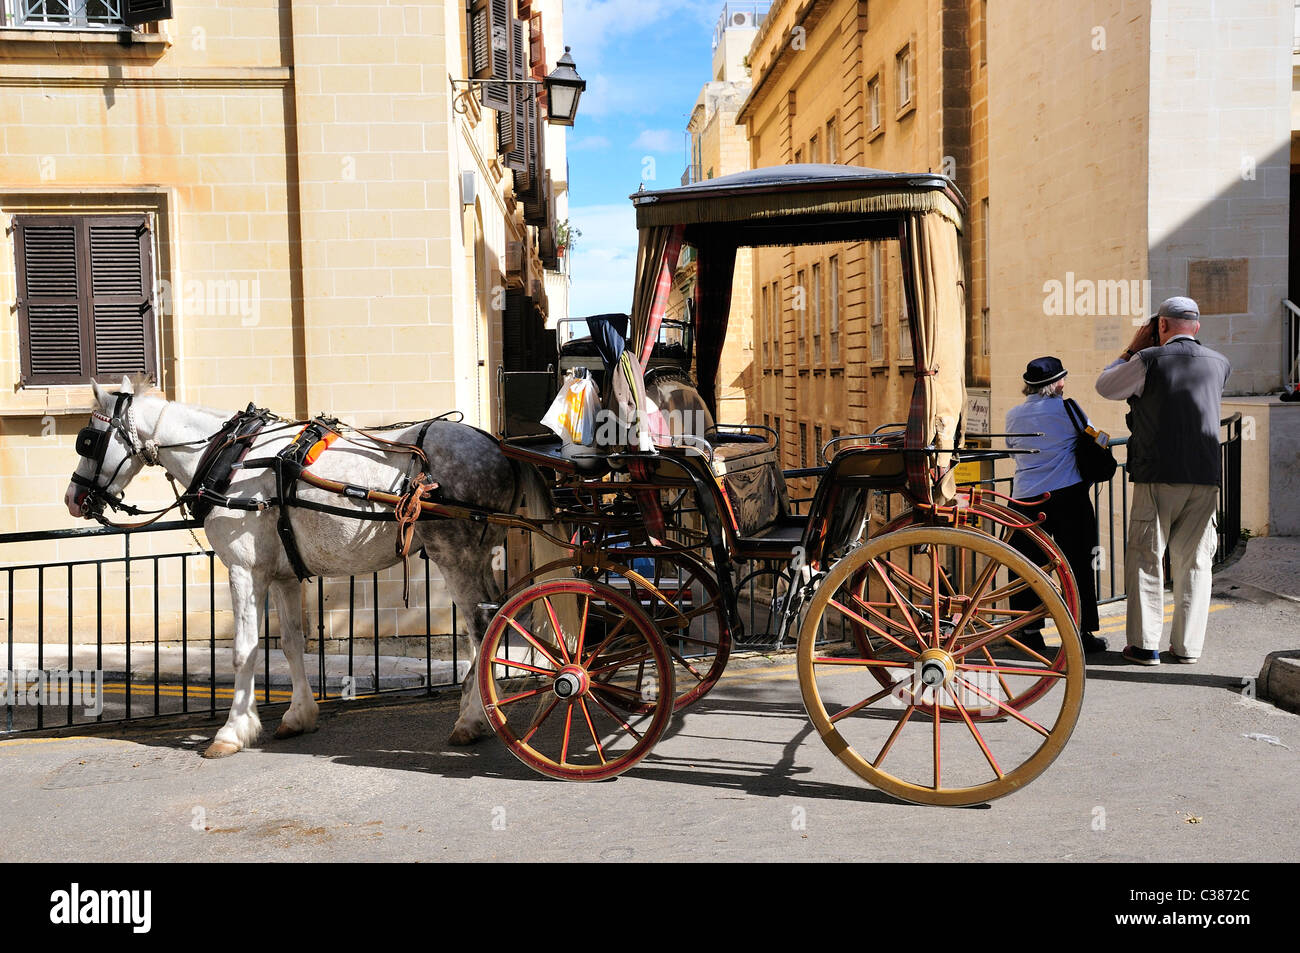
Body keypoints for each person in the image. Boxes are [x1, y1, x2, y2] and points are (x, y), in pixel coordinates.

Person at [1095, 296, 1231, 665]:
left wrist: (1131, 349)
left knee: (1145, 557)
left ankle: (1144, 646)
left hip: (1157, 473)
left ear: (1161, 326)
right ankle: (1187, 647)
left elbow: (1105, 386)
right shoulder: (1220, 363)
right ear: (1196, 327)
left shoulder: (1148, 359)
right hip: (1205, 475)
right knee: (1196, 562)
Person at [1005, 357, 1108, 656]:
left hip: (1025, 497)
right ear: (1057, 383)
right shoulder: (1069, 408)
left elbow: (1014, 452)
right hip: (1068, 494)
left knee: (1025, 563)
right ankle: (1081, 631)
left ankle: (1029, 631)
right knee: (1078, 563)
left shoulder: (1013, 414)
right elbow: (1092, 438)